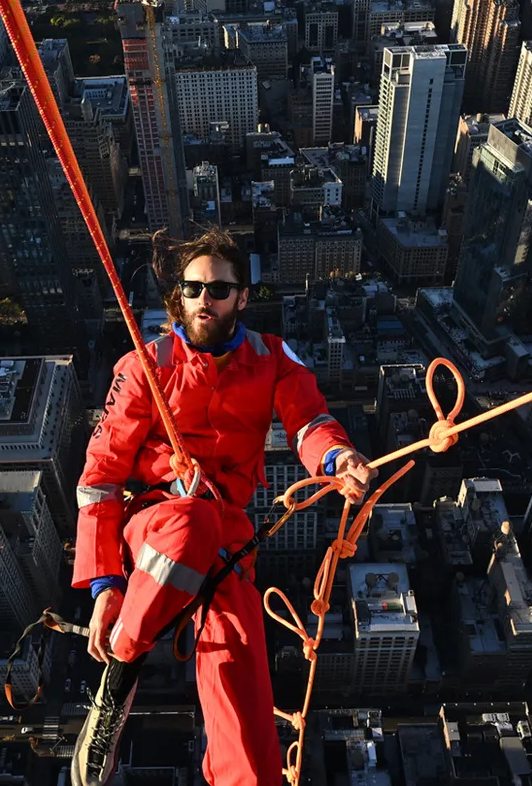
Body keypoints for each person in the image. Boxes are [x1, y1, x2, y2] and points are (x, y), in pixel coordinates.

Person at [71, 228, 374, 786]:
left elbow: (307, 421)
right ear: (178, 297)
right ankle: (122, 666)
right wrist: (105, 585)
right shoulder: (145, 367)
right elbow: (101, 476)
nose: (204, 300)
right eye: (193, 288)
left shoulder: (273, 360)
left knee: (246, 713)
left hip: (230, 544)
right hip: (156, 517)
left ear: (242, 298)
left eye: (218, 289)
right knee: (192, 523)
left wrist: (337, 458)